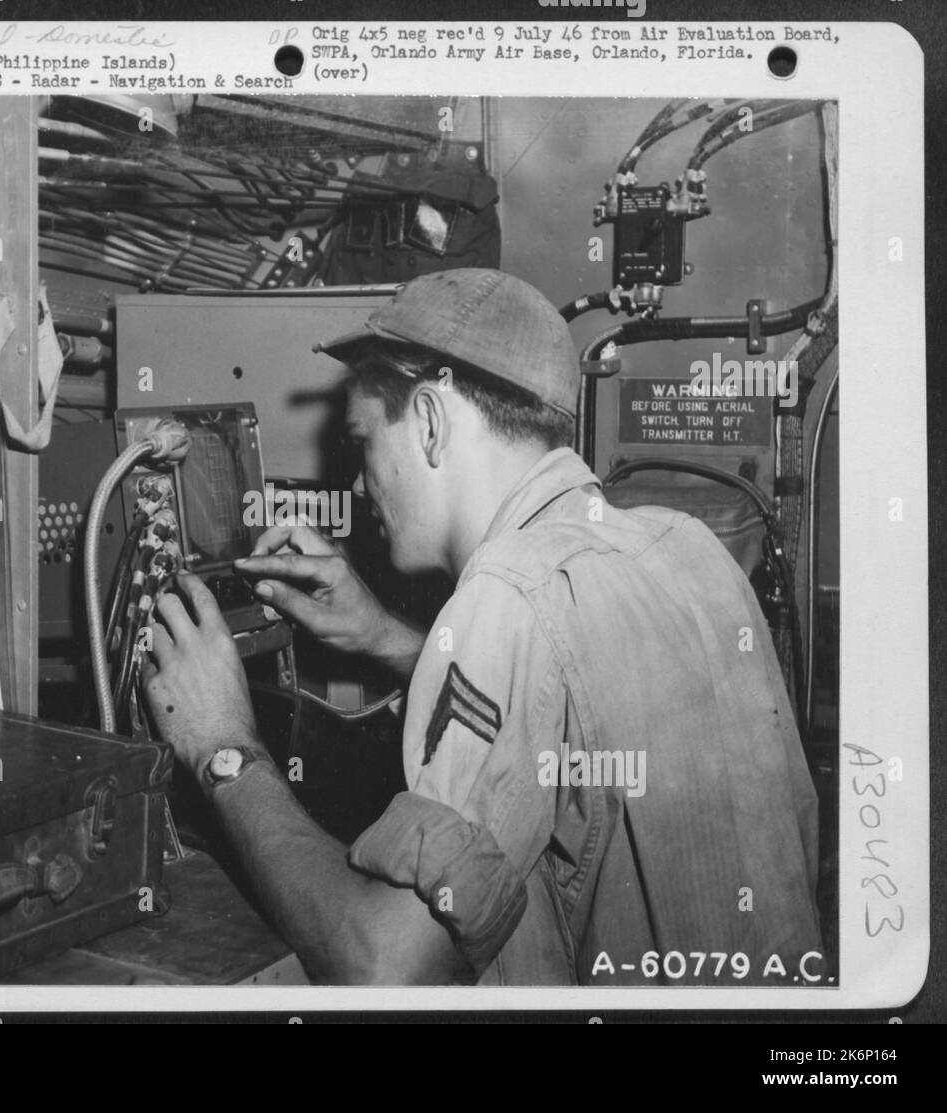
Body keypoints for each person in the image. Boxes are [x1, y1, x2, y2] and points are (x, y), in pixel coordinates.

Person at [140, 268, 824, 986]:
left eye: (365, 442)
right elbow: (569, 705)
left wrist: (224, 749)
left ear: (432, 421)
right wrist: (386, 637)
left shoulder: (504, 595)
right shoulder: (684, 545)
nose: (363, 484)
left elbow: (382, 962)